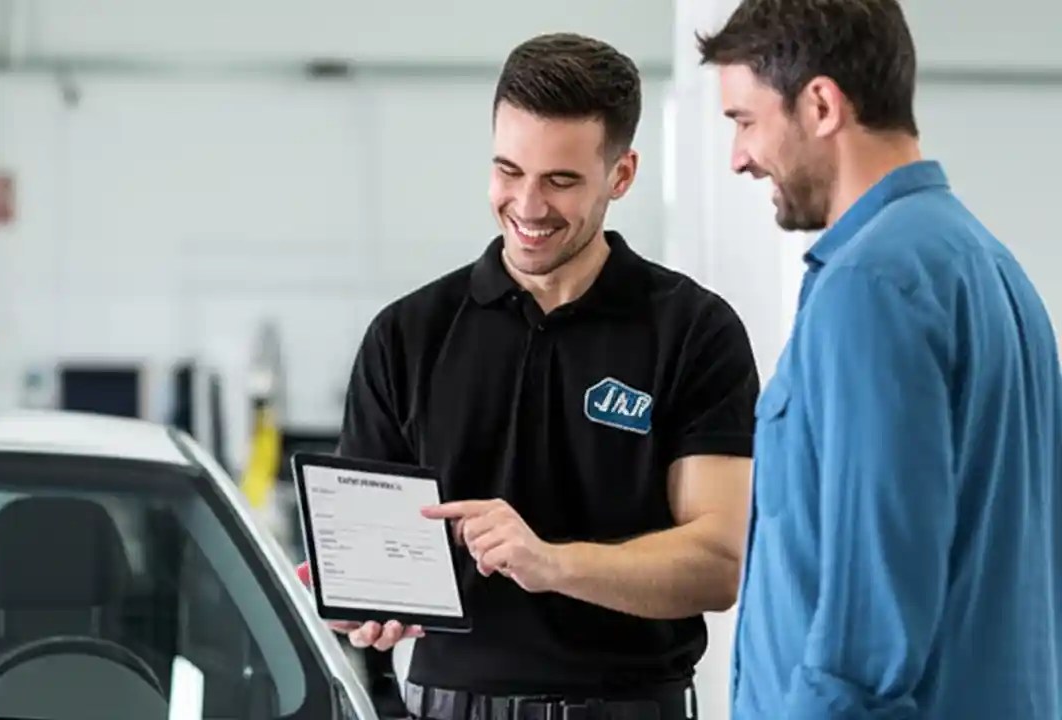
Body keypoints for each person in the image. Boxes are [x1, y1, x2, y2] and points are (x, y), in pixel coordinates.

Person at [328, 32, 760, 720]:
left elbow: (718, 562)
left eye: (560, 181)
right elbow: (377, 557)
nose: (527, 206)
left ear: (621, 176)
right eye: (508, 171)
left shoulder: (692, 332)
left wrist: (550, 562)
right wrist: (366, 604)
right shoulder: (406, 336)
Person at [696, 1, 1062, 718]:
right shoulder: (990, 269)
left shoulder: (870, 287)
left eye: (744, 121)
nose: (738, 156)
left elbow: (865, 633)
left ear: (822, 104)